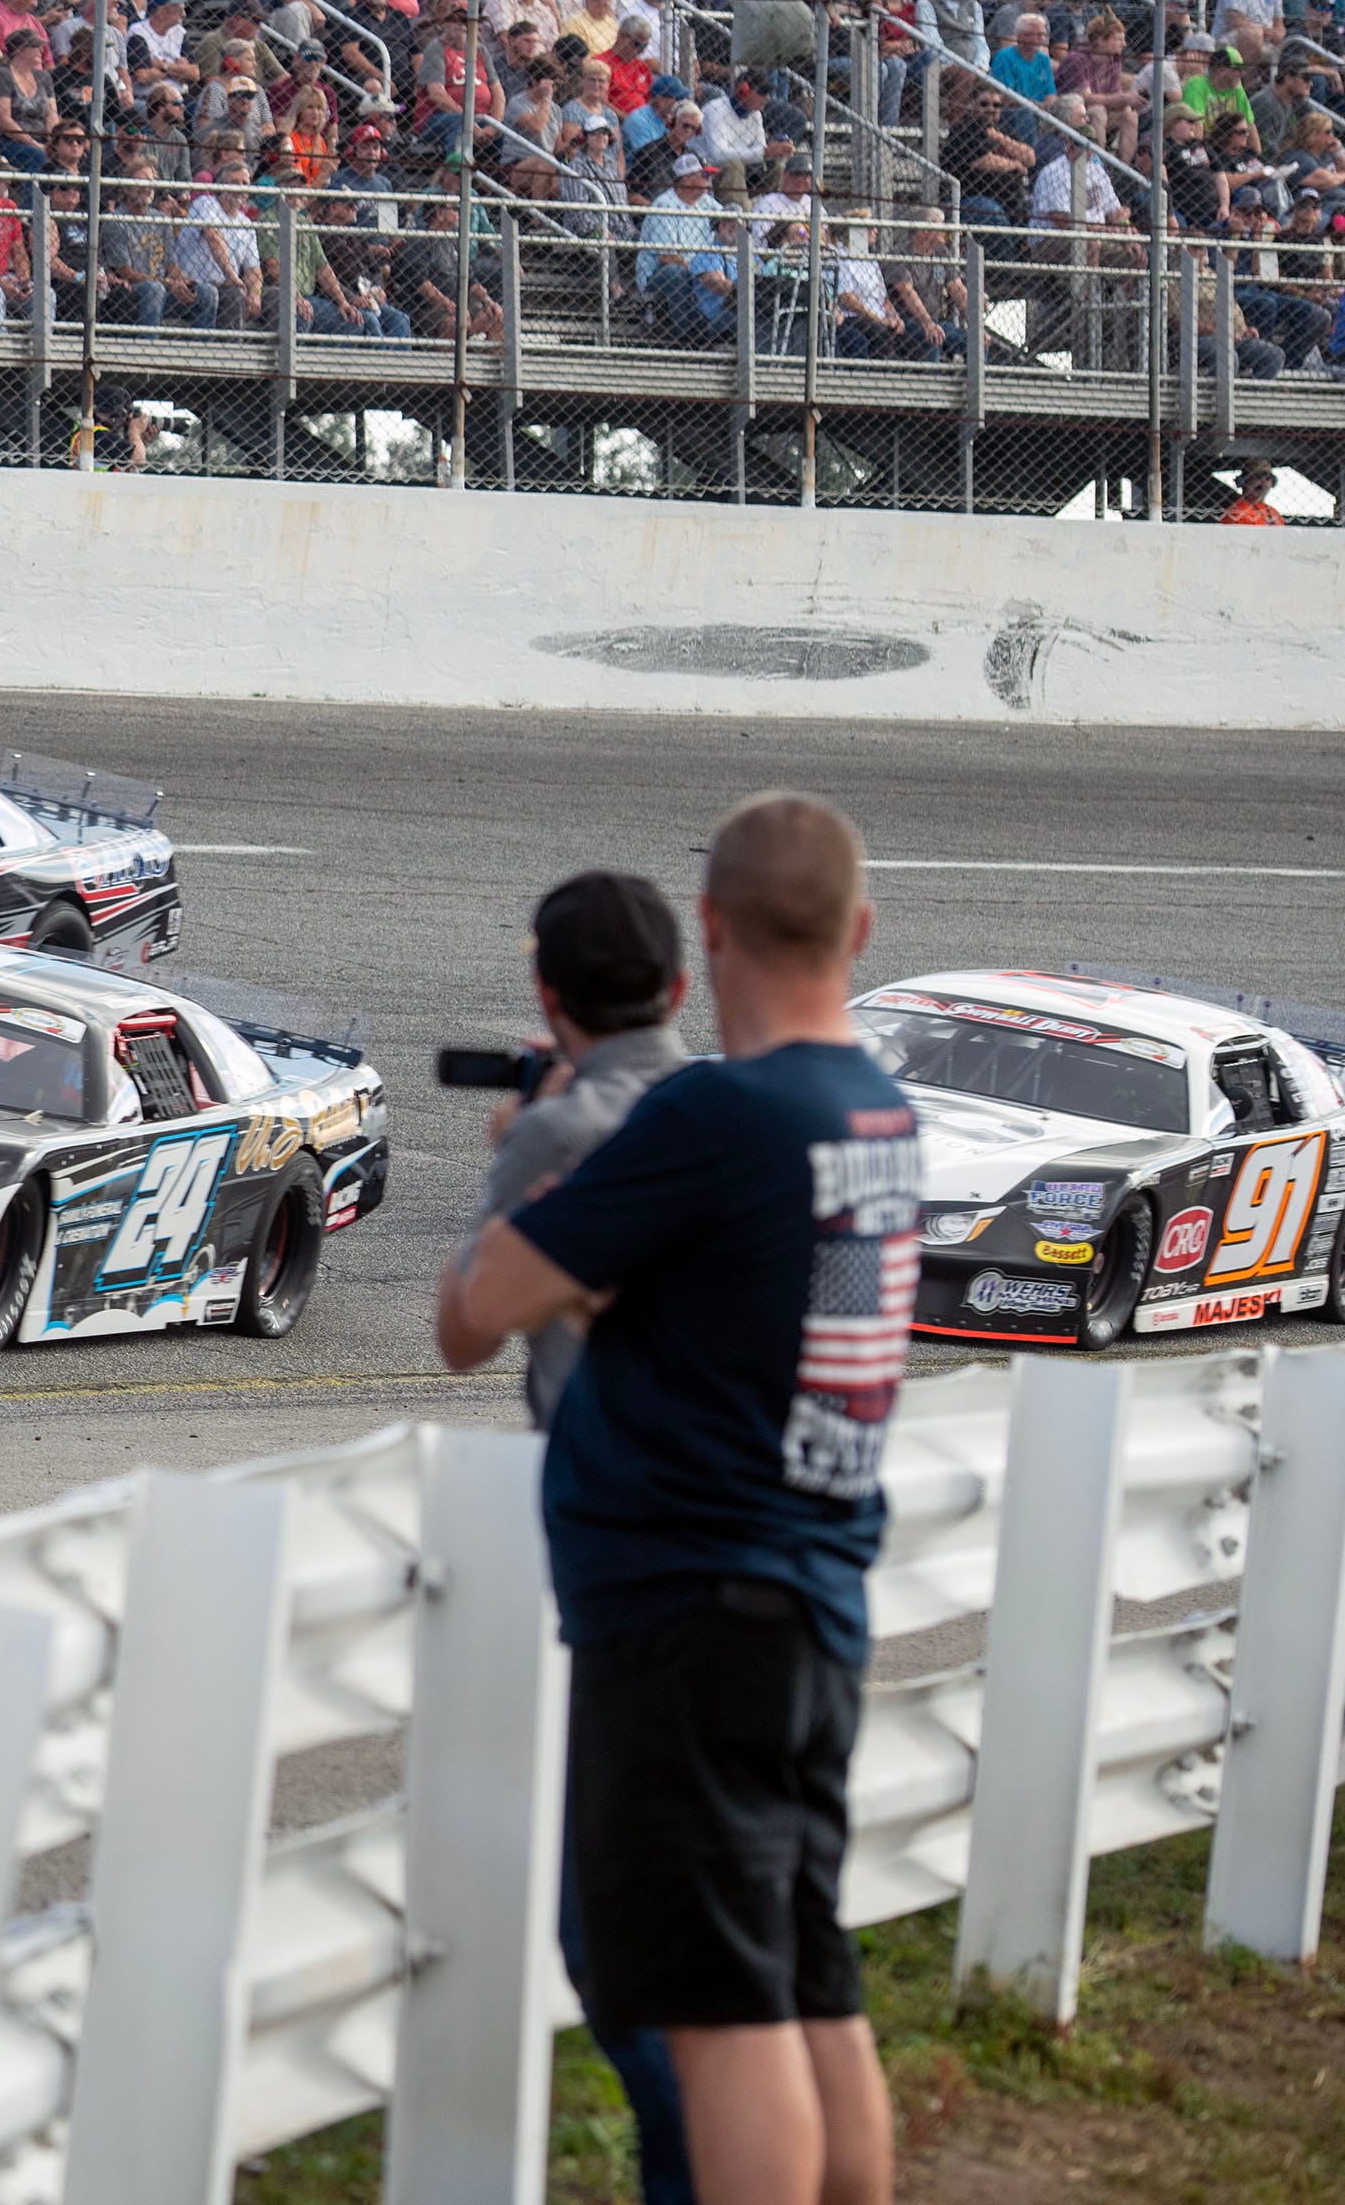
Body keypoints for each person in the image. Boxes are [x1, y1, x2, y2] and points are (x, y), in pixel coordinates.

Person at [441, 794, 913, 2205]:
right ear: (861, 930)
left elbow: (483, 1307)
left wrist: (533, 1176)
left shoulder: (720, 1114)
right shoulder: (876, 1110)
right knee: (813, 1988)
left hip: (693, 1612)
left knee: (722, 2022)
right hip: (815, 1597)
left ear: (708, 935)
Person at [453, 870, 701, 2205]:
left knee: (617, 1958)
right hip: (762, 1546)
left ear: (551, 998)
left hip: (631, 1563)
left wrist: (518, 1155)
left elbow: (463, 1327)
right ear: (677, 987)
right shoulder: (735, 1110)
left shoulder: (568, 1133)